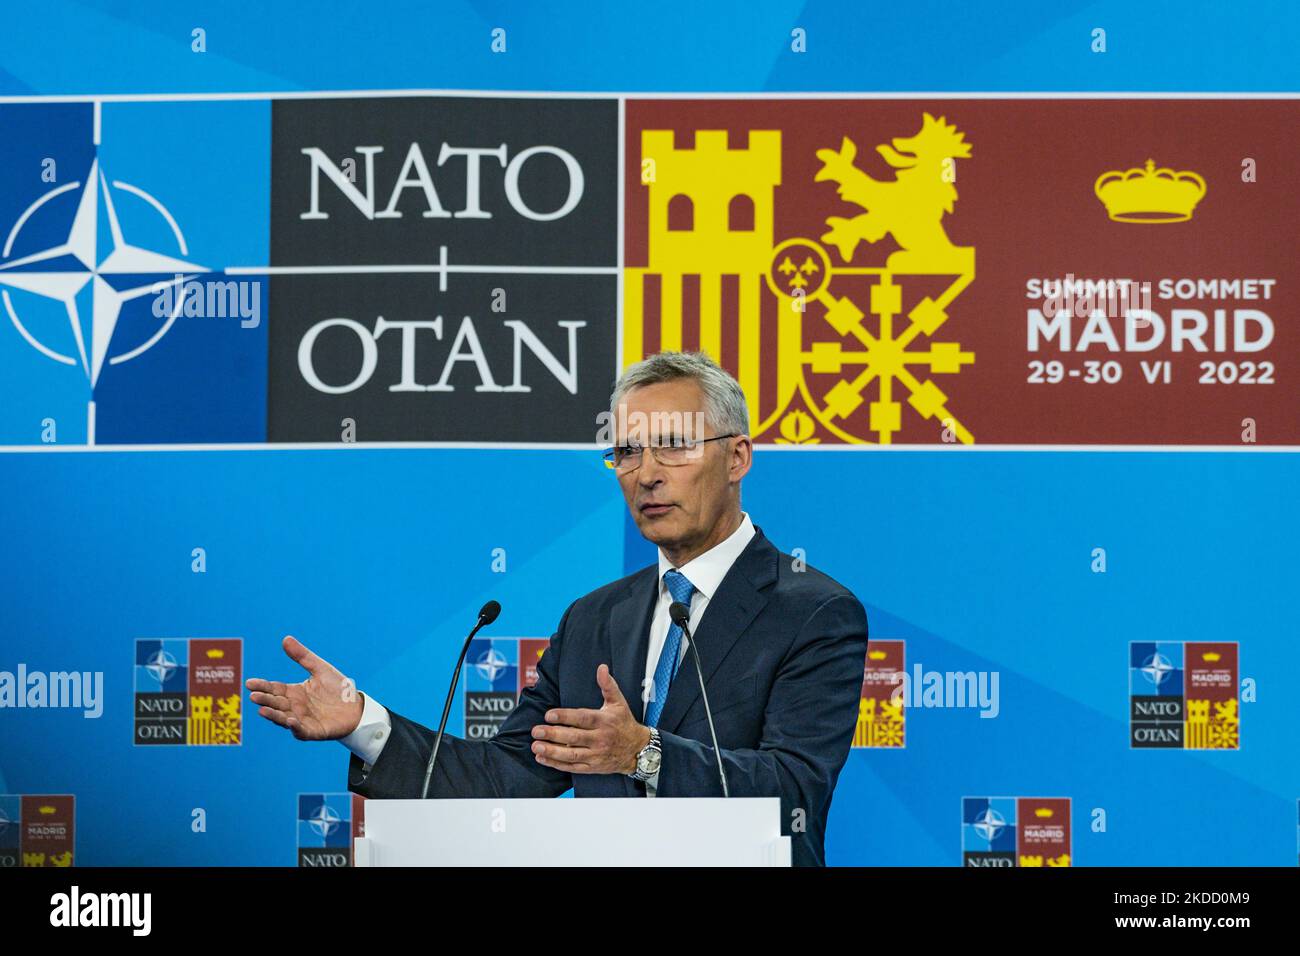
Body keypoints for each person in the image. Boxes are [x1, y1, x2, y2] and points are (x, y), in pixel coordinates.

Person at [247, 350, 869, 866]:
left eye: (673, 446)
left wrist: (643, 753)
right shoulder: (594, 619)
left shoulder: (814, 612)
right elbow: (505, 777)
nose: (646, 474)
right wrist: (363, 721)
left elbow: (793, 791)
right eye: (625, 452)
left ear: (736, 458)